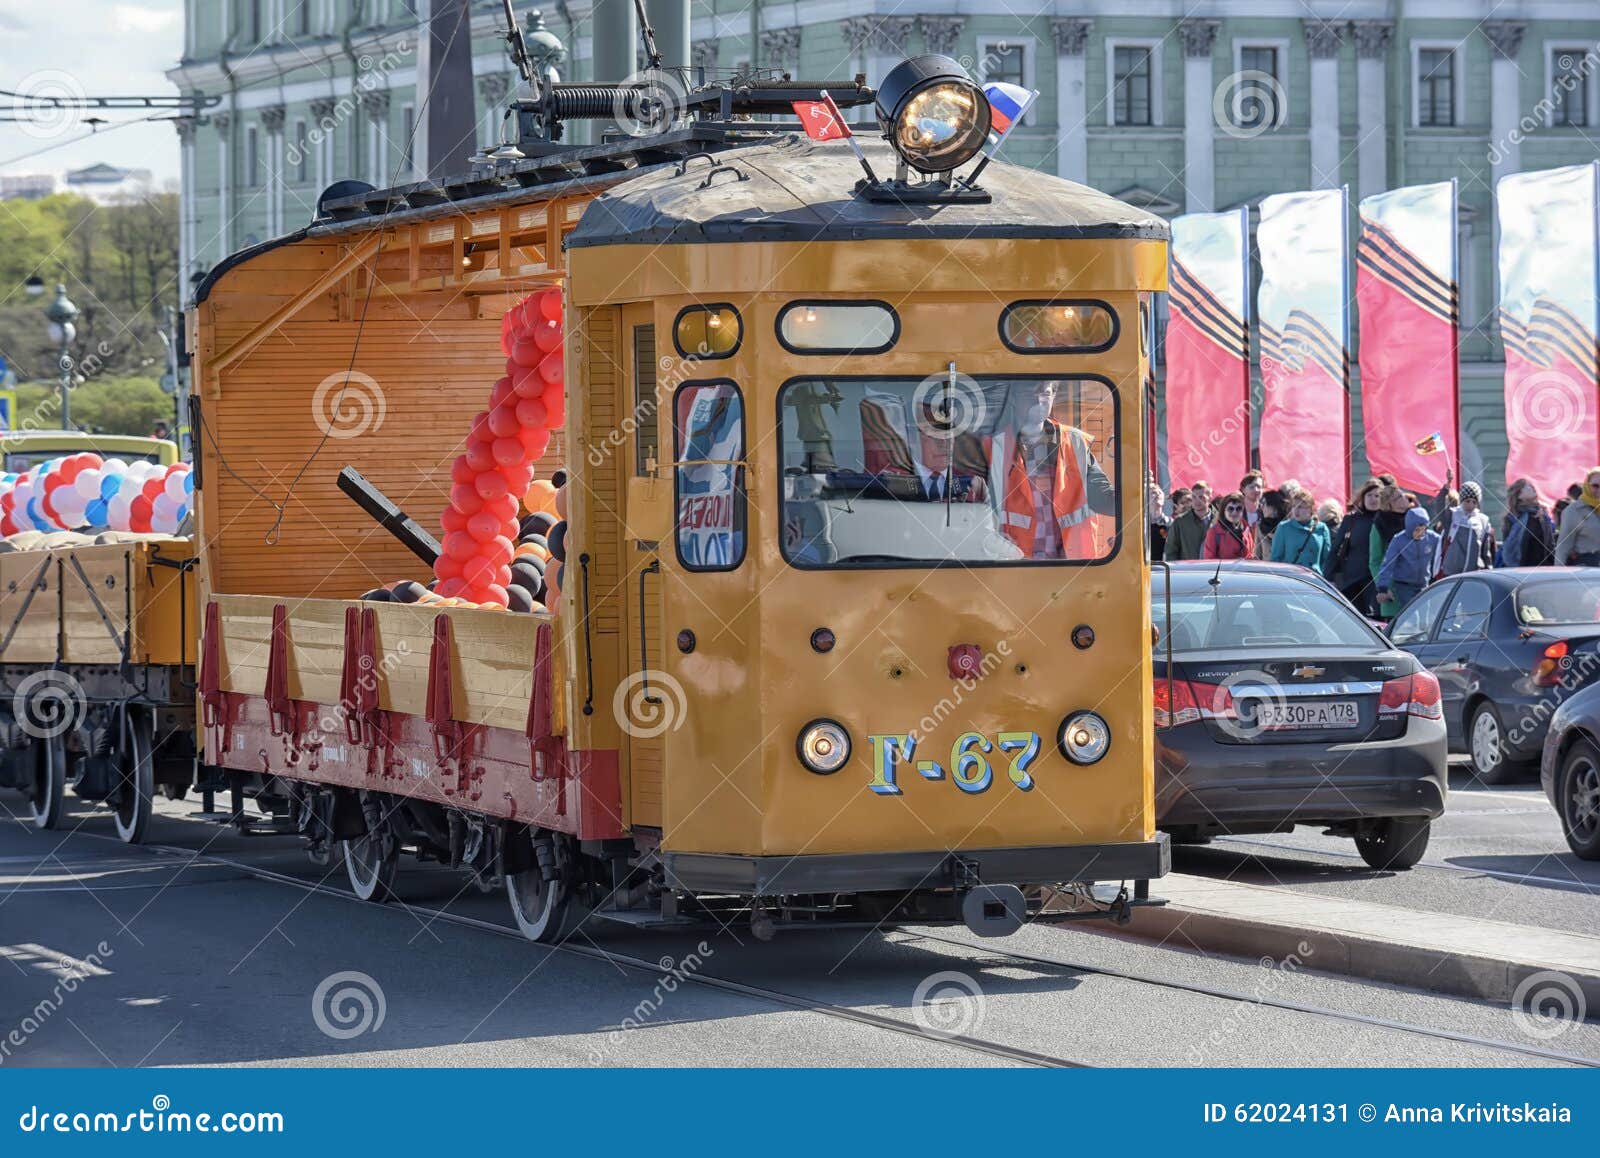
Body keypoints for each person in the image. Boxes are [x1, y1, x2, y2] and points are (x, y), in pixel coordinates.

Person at [1000, 380, 1115, 560]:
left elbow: (1104, 499)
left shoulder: (1074, 442)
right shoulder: (998, 445)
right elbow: (980, 510)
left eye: (1045, 393)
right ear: (1014, 399)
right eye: (1030, 393)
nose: (1038, 400)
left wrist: (1141, 493)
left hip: (1070, 568)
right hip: (1017, 569)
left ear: (1053, 396)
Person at [1328, 479, 1382, 614]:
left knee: (1376, 621)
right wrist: (1328, 577)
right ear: (1362, 498)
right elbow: (1335, 549)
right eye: (1369, 495)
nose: (1373, 499)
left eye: (1377, 495)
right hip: (1352, 581)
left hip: (1376, 581)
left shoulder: (1386, 519)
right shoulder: (1351, 520)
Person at [1377, 506, 1442, 612]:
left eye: (1423, 529)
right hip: (1404, 585)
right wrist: (1383, 587)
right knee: (1411, 614)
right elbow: (1388, 564)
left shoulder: (1432, 538)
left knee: (1425, 616)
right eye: (1417, 530)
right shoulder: (1399, 540)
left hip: (1423, 584)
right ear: (1409, 528)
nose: (1420, 533)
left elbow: (1444, 546)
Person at [1434, 480, 1496, 577]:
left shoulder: (1483, 521)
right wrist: (1446, 488)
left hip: (1473, 574)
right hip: (1451, 573)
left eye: (1474, 502)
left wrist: (1489, 571)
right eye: (1467, 501)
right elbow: (1439, 506)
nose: (1470, 505)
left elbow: (1485, 550)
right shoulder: (1452, 515)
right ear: (1462, 500)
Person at [1369, 485, 1411, 618]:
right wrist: (1384, 586)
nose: (1404, 498)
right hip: (1392, 591)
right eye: (1399, 497)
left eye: (1403, 494)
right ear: (1390, 504)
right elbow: (1375, 561)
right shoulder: (1380, 524)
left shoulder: (1414, 517)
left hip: (1415, 585)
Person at [1270, 489, 1332, 572]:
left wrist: (1323, 576)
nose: (1295, 510)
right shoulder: (1284, 527)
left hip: (1314, 578)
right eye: (1293, 506)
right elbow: (1275, 559)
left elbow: (1327, 559)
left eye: (1300, 507)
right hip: (1292, 579)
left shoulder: (1322, 528)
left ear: (1310, 509)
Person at [1501, 478, 1556, 568]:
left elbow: (1550, 543)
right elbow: (1509, 549)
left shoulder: (1542, 514)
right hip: (1521, 569)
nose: (1532, 487)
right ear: (1519, 496)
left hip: (1544, 568)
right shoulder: (1512, 518)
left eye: (1531, 486)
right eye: (1526, 487)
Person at [1556, 468, 1600, 566]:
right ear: (1587, 486)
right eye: (1595, 486)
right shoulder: (1573, 511)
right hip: (1586, 569)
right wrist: (1559, 574)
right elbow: (1563, 546)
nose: (1599, 490)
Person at [1164, 479, 1212, 561]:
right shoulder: (1180, 522)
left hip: (1213, 570)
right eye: (1194, 497)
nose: (1197, 501)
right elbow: (1170, 551)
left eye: (1201, 497)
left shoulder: (1219, 521)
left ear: (1210, 498)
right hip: (1188, 571)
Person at [1202, 492, 1255, 559]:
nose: (1234, 512)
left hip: (1244, 569)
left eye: (1238, 508)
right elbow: (1209, 561)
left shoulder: (1246, 529)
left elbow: (1251, 554)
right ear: (1224, 511)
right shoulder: (1214, 532)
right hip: (1224, 569)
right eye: (1230, 509)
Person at [1147, 477, 1170, 561]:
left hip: (1166, 568)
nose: (1157, 494)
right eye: (1153, 493)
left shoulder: (1172, 524)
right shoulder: (1140, 526)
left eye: (1159, 493)